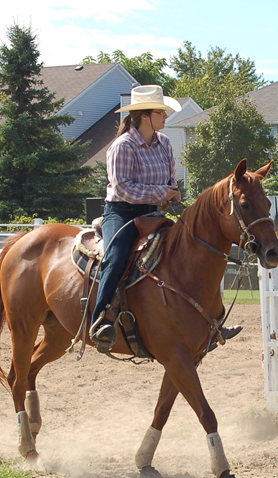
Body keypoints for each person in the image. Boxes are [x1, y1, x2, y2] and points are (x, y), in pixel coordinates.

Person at [89, 85, 241, 350]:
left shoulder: (165, 144)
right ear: (145, 115)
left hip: (154, 213)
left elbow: (170, 180)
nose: (166, 116)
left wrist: (173, 192)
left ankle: (212, 321)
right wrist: (162, 192)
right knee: (116, 257)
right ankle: (101, 319)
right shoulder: (122, 146)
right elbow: (122, 189)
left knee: (193, 253)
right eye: (161, 112)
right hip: (122, 213)